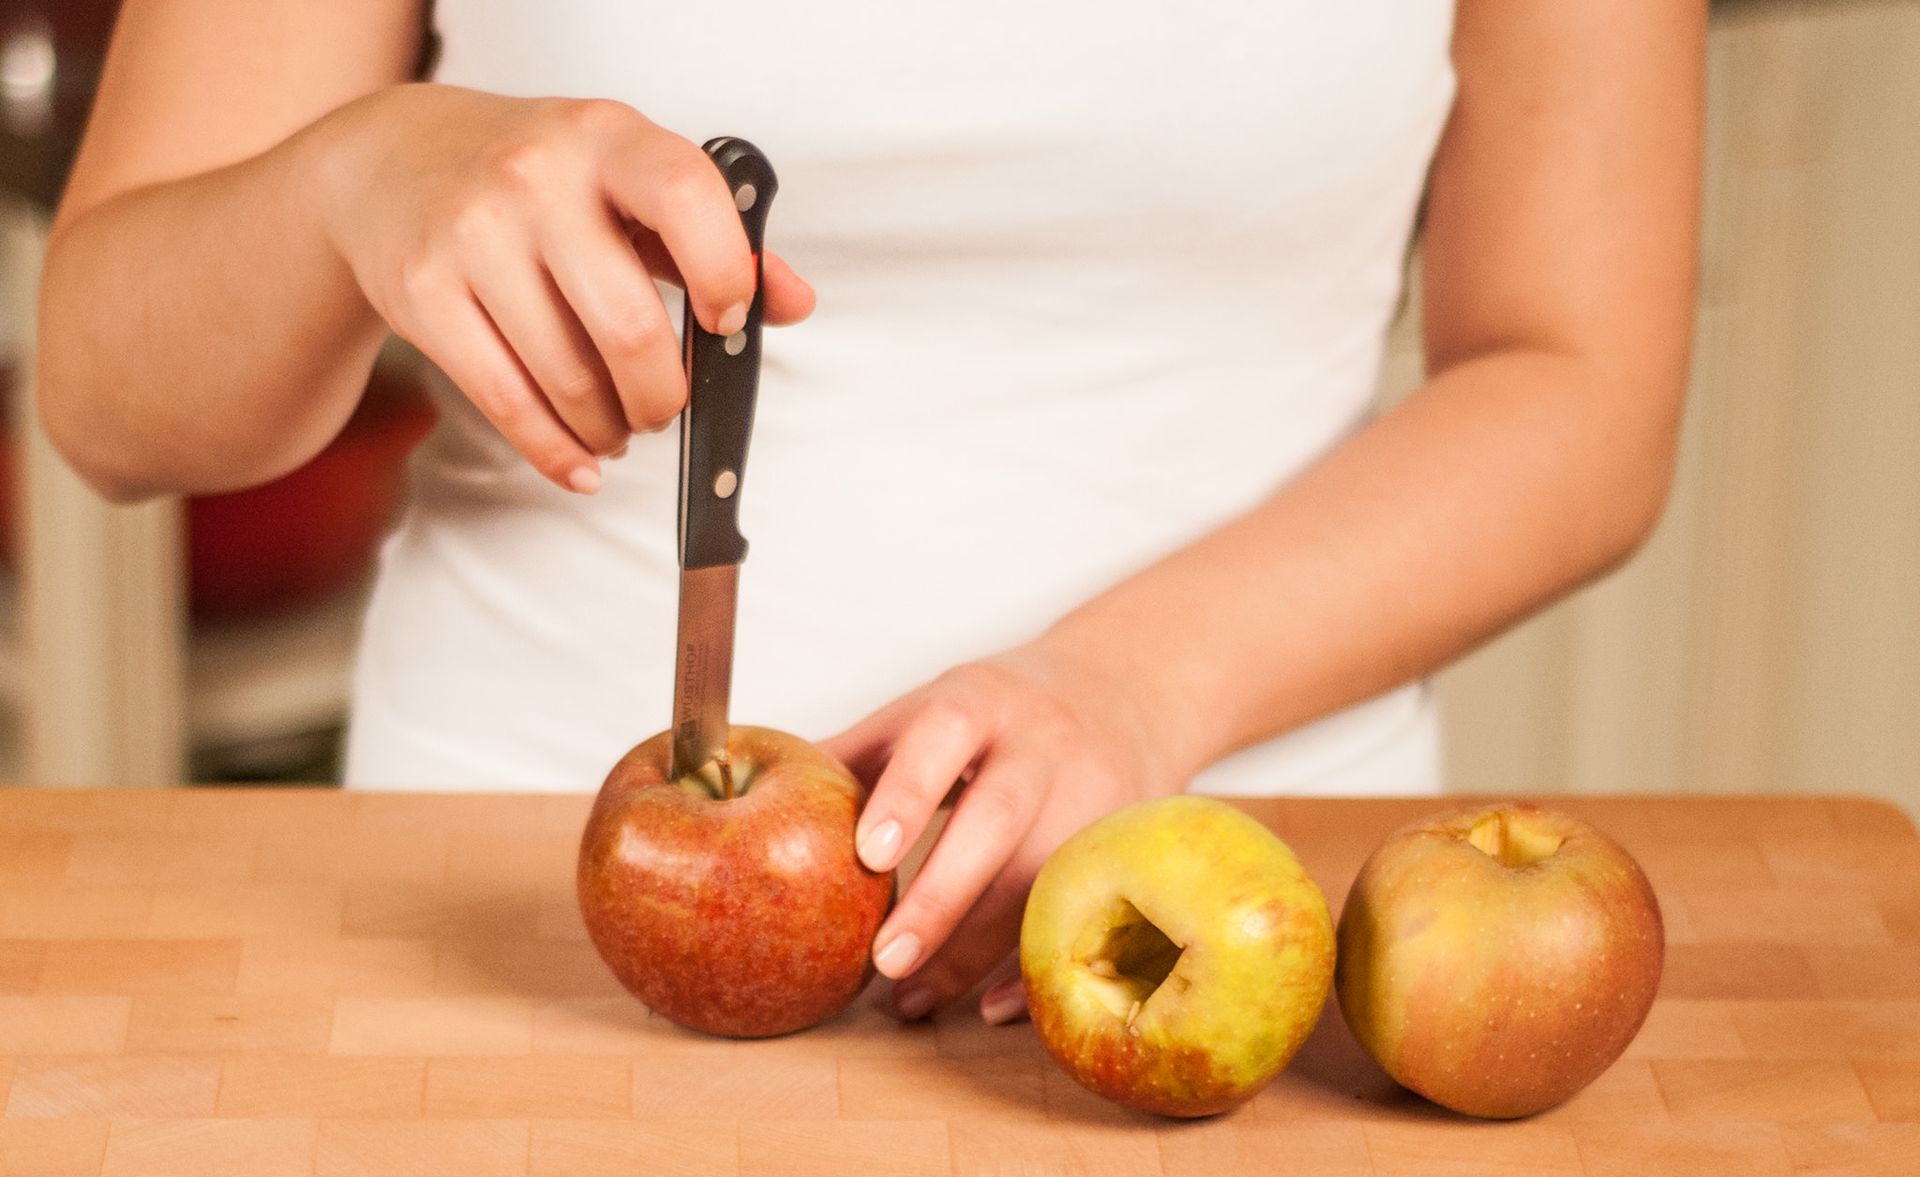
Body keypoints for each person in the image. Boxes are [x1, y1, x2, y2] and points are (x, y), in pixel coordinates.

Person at [38, 1, 1703, 1024]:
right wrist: (354, 169)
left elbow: (1580, 384)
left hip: (1223, 930)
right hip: (509, 934)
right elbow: (110, 397)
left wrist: (1141, 682)